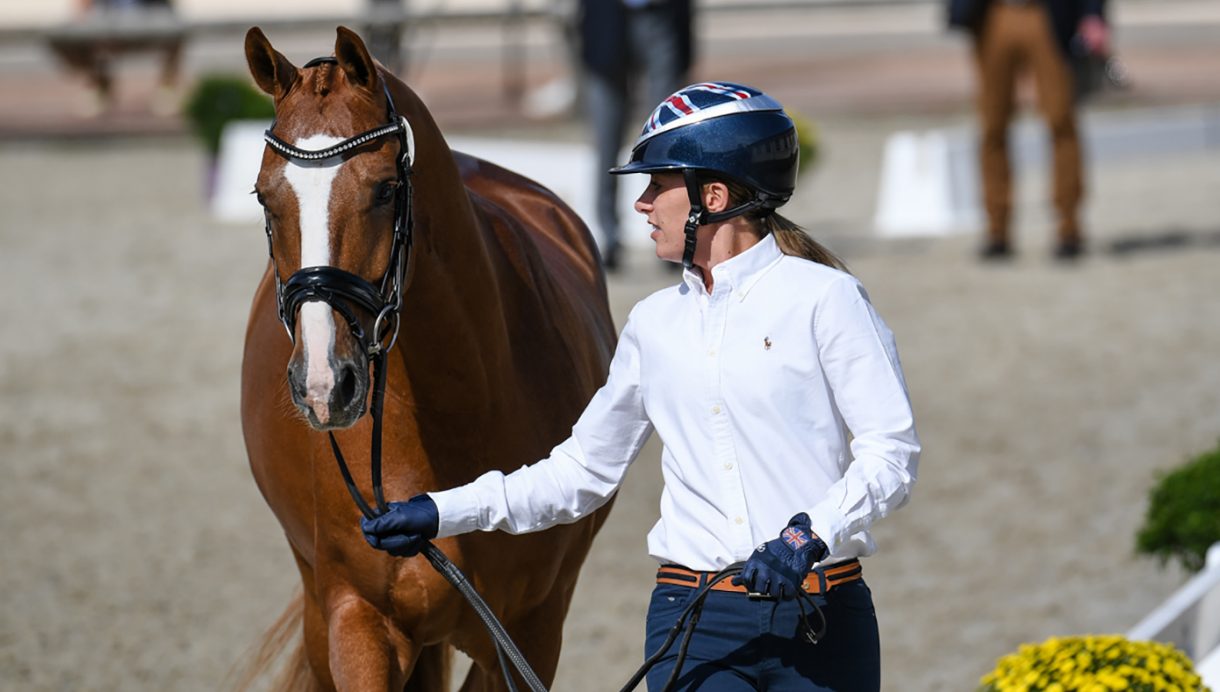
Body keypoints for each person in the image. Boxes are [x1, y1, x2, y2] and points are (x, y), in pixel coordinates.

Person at [361, 83, 920, 691]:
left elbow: (890, 453)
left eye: (658, 186)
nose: (643, 204)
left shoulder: (827, 300)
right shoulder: (654, 325)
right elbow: (579, 474)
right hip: (696, 622)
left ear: (714, 195)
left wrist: (807, 533)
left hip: (822, 618)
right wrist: (441, 510)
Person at [948, 0, 1110, 260]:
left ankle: (1069, 228)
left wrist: (1093, 14)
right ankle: (996, 230)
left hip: (1046, 14)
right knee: (992, 125)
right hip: (993, 13)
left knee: (1061, 121)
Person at [580, 0, 694, 270]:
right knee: (607, 139)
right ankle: (609, 236)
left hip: (662, 15)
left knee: (667, 137)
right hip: (607, 18)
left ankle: (674, 233)